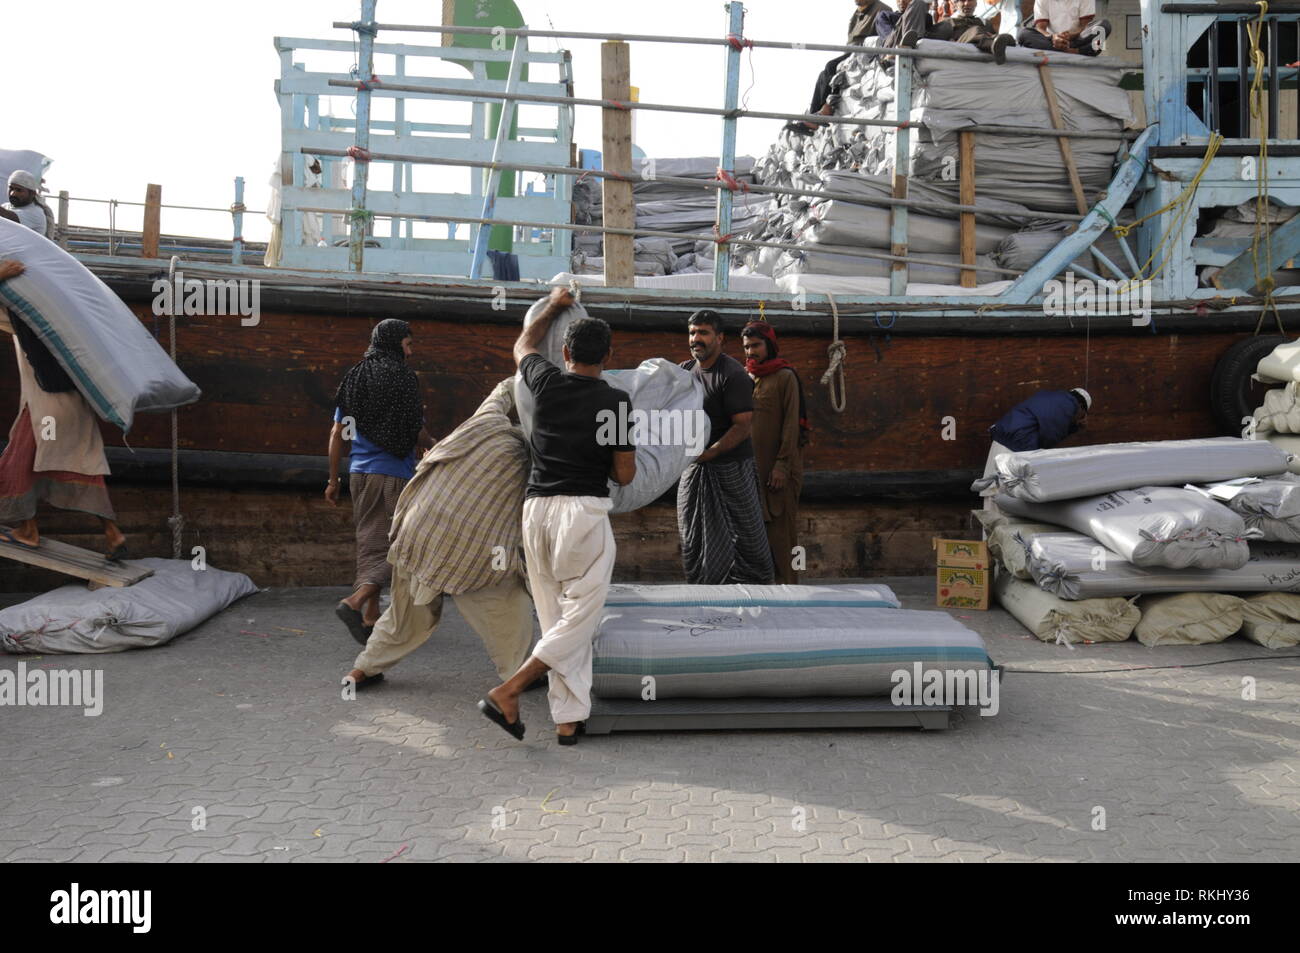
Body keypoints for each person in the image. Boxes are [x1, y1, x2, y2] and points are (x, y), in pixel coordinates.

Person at [479, 287, 635, 746]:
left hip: (536, 511)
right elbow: (625, 475)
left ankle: (568, 720)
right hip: (582, 513)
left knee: (554, 618)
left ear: (565, 352)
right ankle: (509, 691)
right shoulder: (617, 403)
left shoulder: (542, 381)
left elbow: (523, 344)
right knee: (579, 620)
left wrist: (553, 303)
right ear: (608, 356)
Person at [342, 378, 536, 692]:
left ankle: (361, 671)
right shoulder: (532, 458)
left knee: (403, 617)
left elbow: (503, 390)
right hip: (473, 552)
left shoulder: (485, 423)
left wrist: (531, 372)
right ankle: (517, 674)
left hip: (417, 531)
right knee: (508, 610)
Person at [0, 260, 127, 559]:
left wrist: (2, 274)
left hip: (45, 407)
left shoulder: (16, 307)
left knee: (16, 462)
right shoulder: (58, 305)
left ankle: (29, 531)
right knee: (82, 467)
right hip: (74, 400)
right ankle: (113, 533)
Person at [327, 319, 432, 643]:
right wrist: (439, 446)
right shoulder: (403, 379)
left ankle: (371, 616)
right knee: (400, 548)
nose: (411, 352)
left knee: (370, 542)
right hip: (394, 475)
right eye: (408, 344)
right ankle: (355, 602)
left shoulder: (355, 377)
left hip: (359, 474)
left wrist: (333, 480)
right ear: (396, 343)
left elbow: (336, 433)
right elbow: (417, 432)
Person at [677, 310, 775, 585]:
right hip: (695, 469)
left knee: (746, 539)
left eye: (703, 333)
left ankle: (754, 596)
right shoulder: (685, 371)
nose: (696, 338)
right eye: (692, 332)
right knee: (692, 535)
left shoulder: (732, 375)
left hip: (731, 467)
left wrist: (712, 452)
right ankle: (703, 591)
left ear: (719, 338)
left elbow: (743, 426)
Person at [741, 321, 807, 585]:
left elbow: (792, 425)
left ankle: (790, 591)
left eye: (756, 345)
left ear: (770, 345)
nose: (750, 352)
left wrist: (782, 465)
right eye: (746, 347)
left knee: (782, 537)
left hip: (779, 472)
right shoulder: (747, 376)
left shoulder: (785, 376)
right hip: (752, 473)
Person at [982, 387, 1090, 511]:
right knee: (1008, 496)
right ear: (1081, 407)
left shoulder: (1051, 396)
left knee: (992, 489)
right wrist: (1076, 427)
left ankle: (987, 526)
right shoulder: (1069, 406)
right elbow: (1050, 436)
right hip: (1019, 446)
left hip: (1001, 437)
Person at [795, 0, 894, 132]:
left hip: (864, 52)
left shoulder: (881, 9)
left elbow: (881, 35)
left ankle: (821, 113)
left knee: (831, 67)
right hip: (851, 52)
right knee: (824, 74)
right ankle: (813, 116)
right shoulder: (857, 14)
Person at [888, 0, 1013, 63]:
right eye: (962, 0)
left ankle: (998, 45)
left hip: (982, 39)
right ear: (955, 4)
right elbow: (936, 38)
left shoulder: (985, 22)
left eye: (970, 0)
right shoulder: (948, 22)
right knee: (975, 30)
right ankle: (992, 45)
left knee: (1006, 36)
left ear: (976, 3)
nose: (966, 4)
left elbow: (993, 34)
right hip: (963, 40)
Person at [1017, 0, 1112, 56]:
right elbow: (1040, 28)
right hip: (1052, 42)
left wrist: (1071, 35)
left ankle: (1077, 51)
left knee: (1103, 27)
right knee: (1023, 34)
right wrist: (1052, 37)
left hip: (1078, 40)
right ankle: (1070, 51)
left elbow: (1084, 26)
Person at [4, 171, 53, 238]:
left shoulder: (35, 212)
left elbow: (9, 218)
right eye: (11, 188)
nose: (13, 193)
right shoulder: (5, 206)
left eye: (19, 190)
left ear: (32, 193)